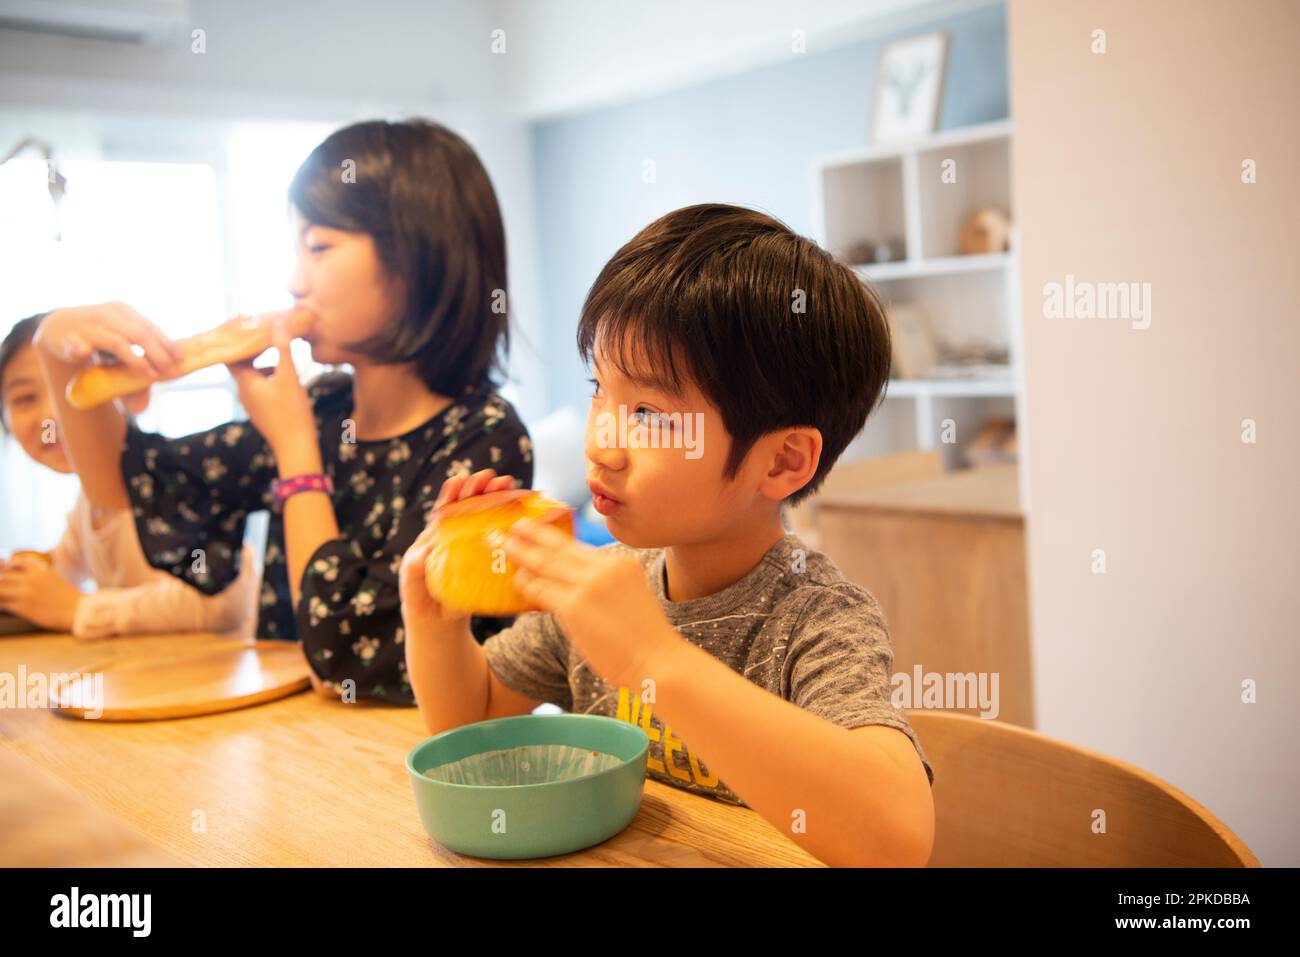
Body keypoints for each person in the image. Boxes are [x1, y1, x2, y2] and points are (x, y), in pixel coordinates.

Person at [399, 204, 935, 867]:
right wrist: (436, 625)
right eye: (600, 389)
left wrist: (655, 659)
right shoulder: (610, 581)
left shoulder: (816, 616)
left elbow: (898, 836)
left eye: (648, 413)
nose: (602, 443)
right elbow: (471, 722)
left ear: (782, 460)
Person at [33, 119, 533, 702]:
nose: (293, 280)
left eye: (318, 246)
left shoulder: (484, 439)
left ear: (418, 257)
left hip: (411, 766)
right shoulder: (322, 408)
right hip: (290, 750)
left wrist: (296, 452)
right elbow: (122, 482)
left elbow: (346, 661)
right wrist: (57, 349)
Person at [0, 313, 256, 638]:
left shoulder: (166, 482)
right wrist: (21, 576)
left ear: (131, 394)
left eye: (72, 391)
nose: (51, 417)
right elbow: (64, 565)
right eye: (24, 398)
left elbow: (221, 605)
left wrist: (77, 608)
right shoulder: (87, 502)